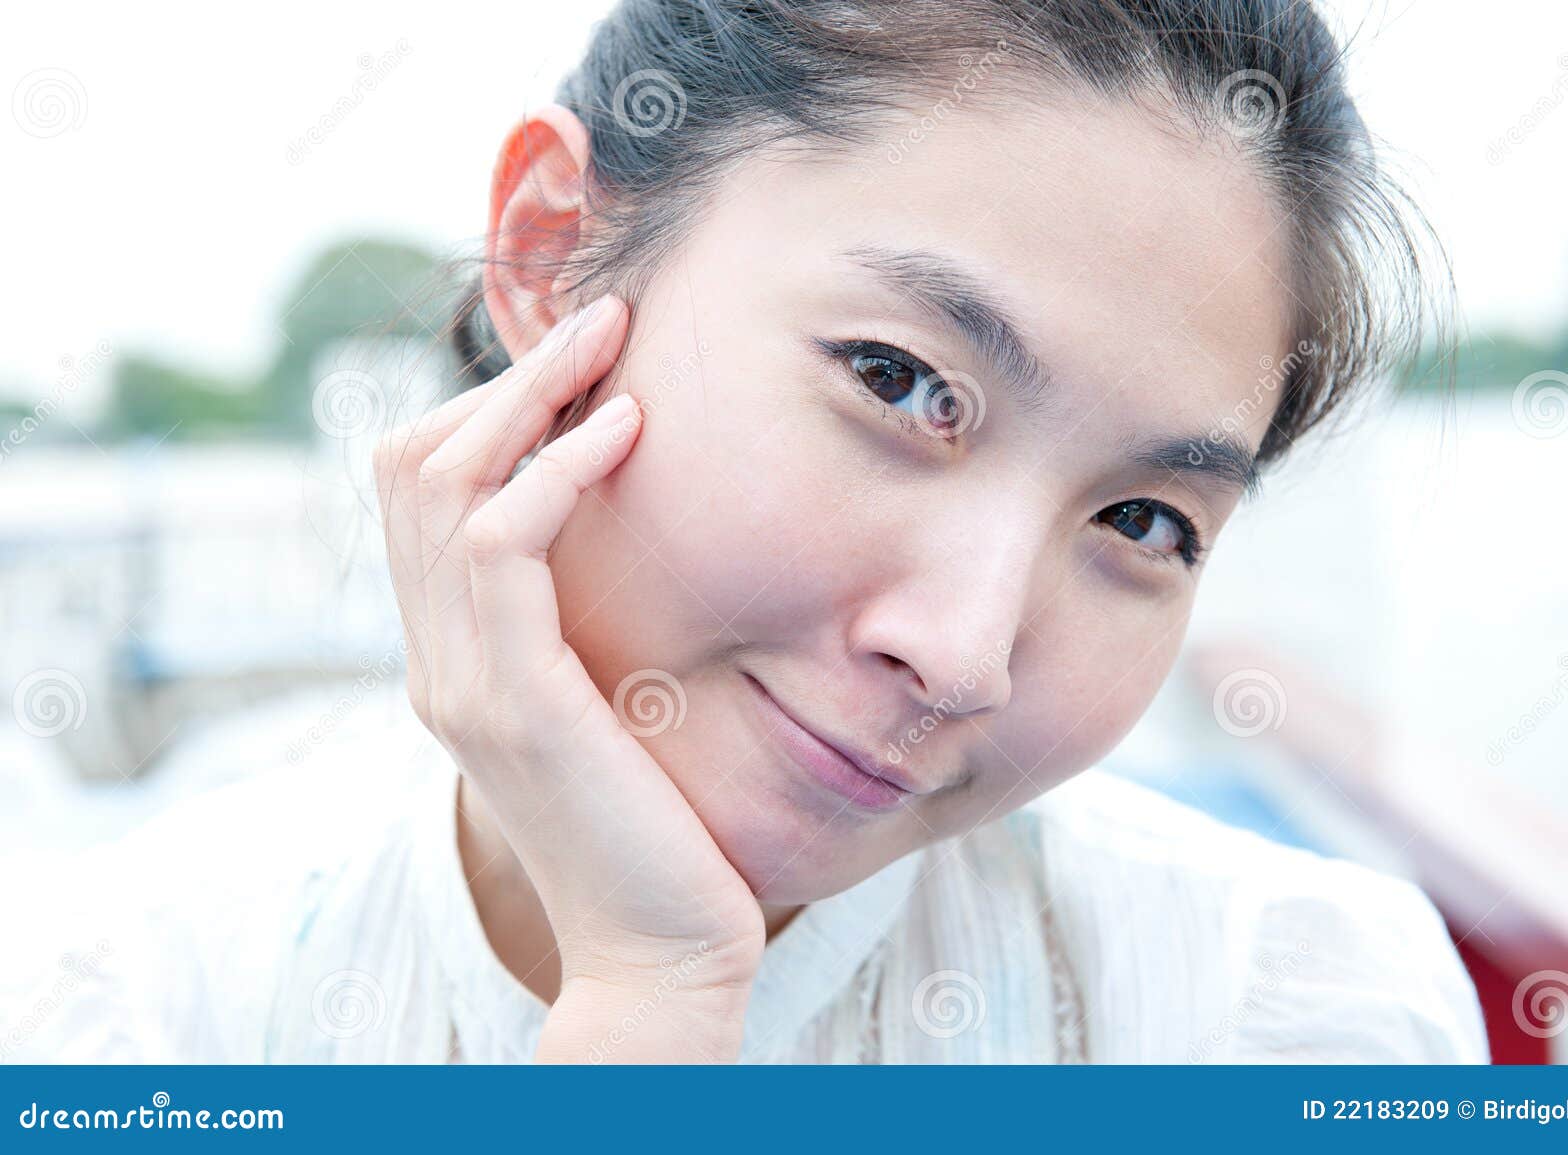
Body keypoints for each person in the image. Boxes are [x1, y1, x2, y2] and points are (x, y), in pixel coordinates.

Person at [2, 0, 1487, 1063]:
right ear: (551, 251)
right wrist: (650, 998)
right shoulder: (133, 1015)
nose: (963, 653)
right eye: (903, 383)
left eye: (1148, 519)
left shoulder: (1278, 1013)